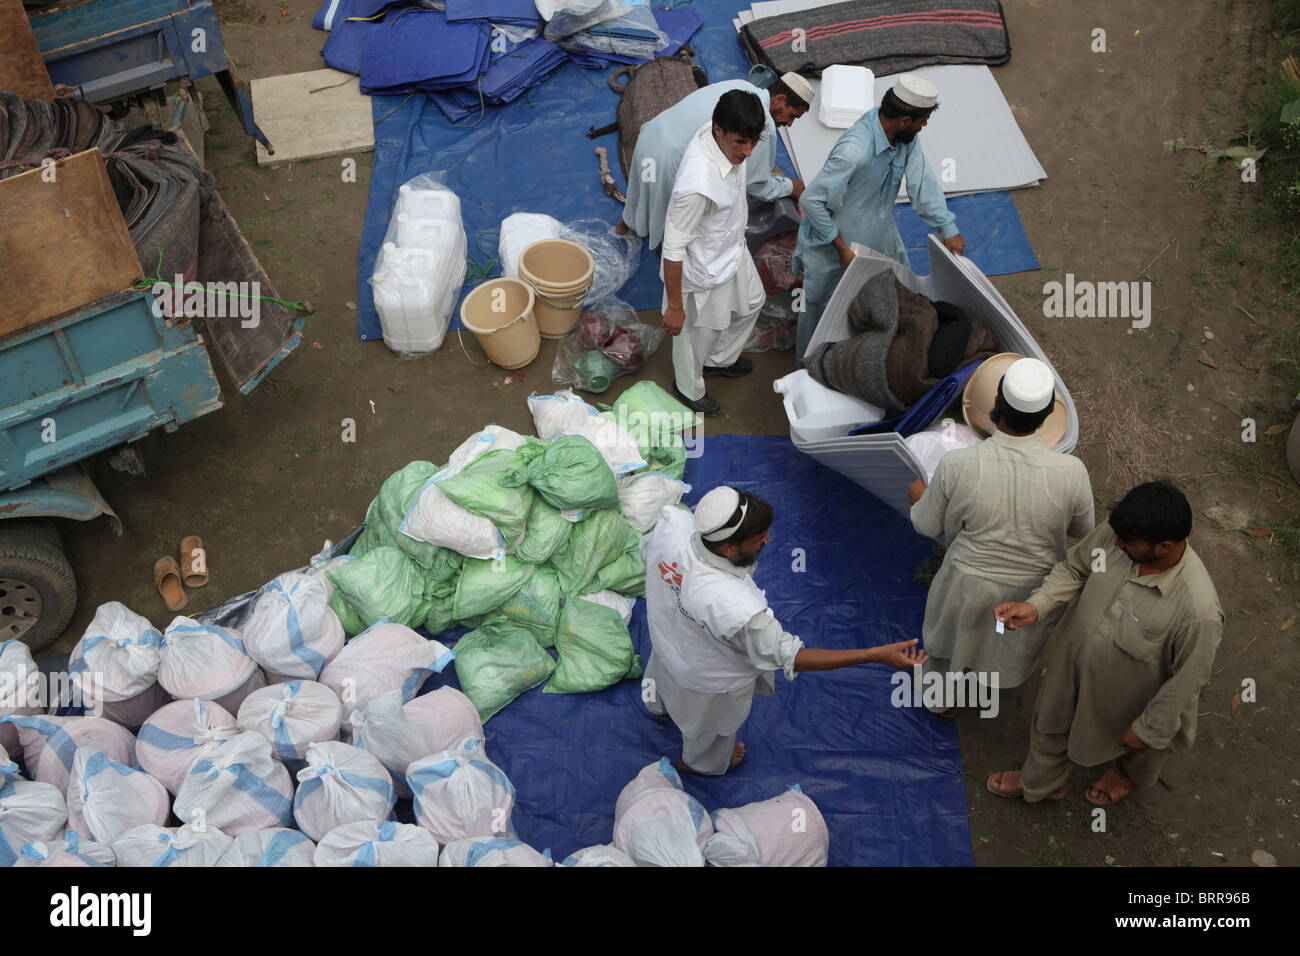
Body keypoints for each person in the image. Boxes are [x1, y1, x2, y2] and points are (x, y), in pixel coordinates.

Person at [641, 485, 928, 775]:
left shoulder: (673, 526)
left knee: (662, 681)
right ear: (729, 548)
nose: (768, 539)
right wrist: (875, 654)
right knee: (708, 731)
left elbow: (648, 555)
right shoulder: (735, 607)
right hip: (706, 681)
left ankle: (658, 708)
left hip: (666, 642)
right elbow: (791, 655)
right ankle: (698, 765)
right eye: (757, 540)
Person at [986, 481, 1223, 806]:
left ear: (1164, 546)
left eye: (1128, 543)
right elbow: (1076, 568)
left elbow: (1186, 682)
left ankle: (1127, 774)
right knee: (1050, 725)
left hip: (1127, 702)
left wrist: (1148, 729)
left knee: (1141, 748)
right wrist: (1037, 604)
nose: (1115, 544)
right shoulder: (1120, 537)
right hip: (1071, 666)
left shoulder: (1199, 612)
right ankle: (1041, 784)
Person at [908, 358, 1095, 717]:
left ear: (996, 403)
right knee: (999, 647)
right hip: (1033, 592)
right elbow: (1082, 533)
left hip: (963, 588)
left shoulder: (957, 465)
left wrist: (921, 497)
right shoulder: (1072, 473)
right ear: (1045, 419)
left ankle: (944, 704)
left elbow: (927, 525)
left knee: (951, 651)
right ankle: (986, 684)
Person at [793, 74, 966, 360]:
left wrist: (948, 228)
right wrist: (842, 250)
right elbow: (811, 200)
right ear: (904, 120)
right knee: (821, 310)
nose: (925, 126)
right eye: (923, 120)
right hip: (832, 245)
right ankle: (806, 368)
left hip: (880, 234)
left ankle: (864, 356)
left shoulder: (905, 137)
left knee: (896, 293)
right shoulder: (854, 151)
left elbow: (922, 184)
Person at [657, 90, 771, 417]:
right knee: (696, 337)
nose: (747, 152)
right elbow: (674, 247)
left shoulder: (722, 131)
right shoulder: (697, 187)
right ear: (718, 131)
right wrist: (675, 306)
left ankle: (718, 361)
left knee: (753, 302)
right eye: (740, 143)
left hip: (730, 247)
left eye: (752, 142)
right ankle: (688, 387)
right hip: (703, 268)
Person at [615, 72, 815, 249]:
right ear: (780, 100)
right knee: (674, 227)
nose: (788, 124)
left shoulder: (742, 87)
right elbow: (756, 186)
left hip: (649, 136)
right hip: (669, 163)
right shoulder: (763, 125)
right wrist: (791, 187)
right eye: (792, 117)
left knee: (640, 193)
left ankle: (622, 229)